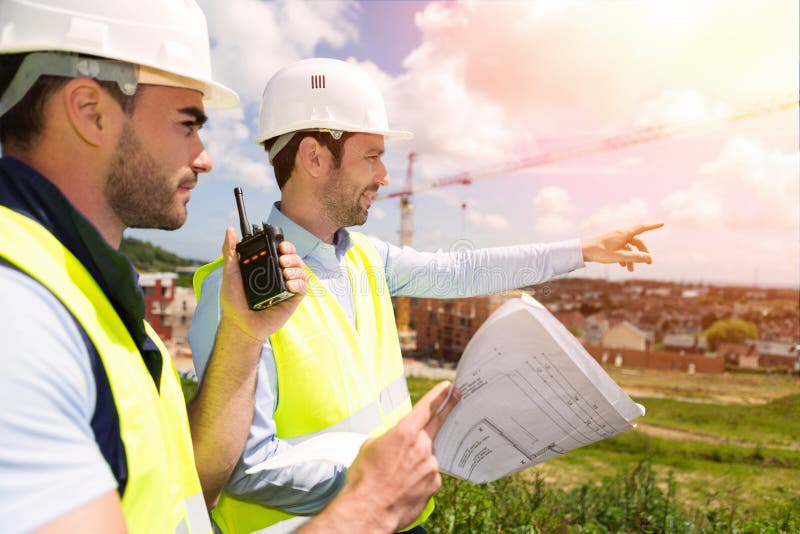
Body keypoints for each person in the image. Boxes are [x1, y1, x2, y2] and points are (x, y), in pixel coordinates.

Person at [0, 2, 458, 532]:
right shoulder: (20, 318)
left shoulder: (80, 287)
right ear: (90, 111)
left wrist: (242, 335)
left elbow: (199, 482)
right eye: (186, 123)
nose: (205, 156)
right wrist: (364, 507)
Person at [189, 57, 663, 533]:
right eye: (371, 156)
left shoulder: (367, 260)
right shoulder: (234, 292)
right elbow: (245, 469)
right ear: (314, 157)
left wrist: (583, 250)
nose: (385, 177)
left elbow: (462, 269)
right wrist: (380, 480)